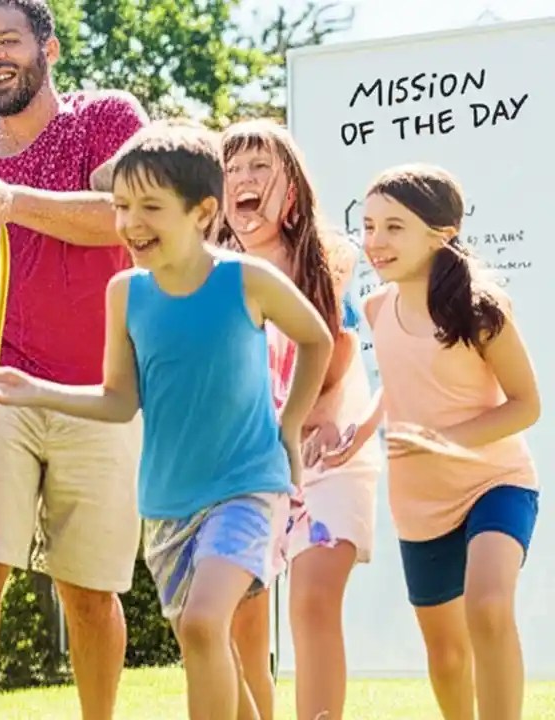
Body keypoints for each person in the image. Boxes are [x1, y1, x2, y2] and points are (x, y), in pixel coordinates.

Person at [0, 121, 333, 720]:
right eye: (121, 207)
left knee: (202, 624)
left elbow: (316, 341)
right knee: (205, 641)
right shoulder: (126, 294)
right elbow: (119, 401)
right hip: (166, 508)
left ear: (203, 212)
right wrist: (33, 390)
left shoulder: (245, 279)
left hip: (246, 489)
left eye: (150, 207)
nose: (131, 223)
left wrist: (289, 426)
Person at [0, 2, 148, 716]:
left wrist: (14, 202)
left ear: (48, 46)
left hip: (99, 387)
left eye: (8, 39)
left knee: (88, 589)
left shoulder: (104, 119)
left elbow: (127, 216)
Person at [347, 164, 539, 720]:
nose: (375, 242)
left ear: (443, 233)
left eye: (394, 227)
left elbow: (526, 405)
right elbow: (399, 389)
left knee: (487, 606)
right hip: (419, 503)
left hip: (496, 483)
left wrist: (446, 441)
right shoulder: (377, 308)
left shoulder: (483, 311)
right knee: (448, 654)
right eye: (369, 226)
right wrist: (356, 431)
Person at [219, 119, 382, 720]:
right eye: (232, 170)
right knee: (239, 620)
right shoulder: (213, 269)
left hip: (325, 451)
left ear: (292, 187)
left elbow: (335, 352)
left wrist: (319, 421)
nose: (244, 178)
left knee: (312, 601)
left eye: (259, 166)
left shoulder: (327, 254)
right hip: (249, 461)